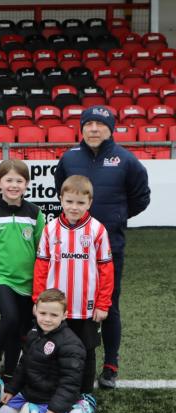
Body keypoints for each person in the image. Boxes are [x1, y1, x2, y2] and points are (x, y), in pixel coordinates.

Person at [54, 105, 151, 389]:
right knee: (67, 302)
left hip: (110, 246)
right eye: (88, 124)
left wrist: (118, 216)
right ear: (81, 128)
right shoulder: (69, 158)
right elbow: (62, 189)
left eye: (100, 124)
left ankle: (110, 365)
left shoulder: (126, 160)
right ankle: (63, 359)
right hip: (72, 247)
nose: (94, 129)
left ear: (111, 129)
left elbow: (141, 197)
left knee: (109, 305)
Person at [33, 175, 114, 396]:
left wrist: (103, 304)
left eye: (80, 202)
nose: (74, 207)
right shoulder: (50, 229)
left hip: (86, 307)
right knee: (52, 348)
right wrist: (38, 300)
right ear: (61, 199)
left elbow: (106, 270)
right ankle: (52, 392)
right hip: (55, 308)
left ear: (90, 203)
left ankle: (85, 396)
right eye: (69, 201)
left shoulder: (97, 230)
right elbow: (41, 267)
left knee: (86, 351)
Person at [0, 159, 45, 387]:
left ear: (26, 184)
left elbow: (42, 250)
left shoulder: (35, 213)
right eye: (9, 180)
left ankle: (10, 372)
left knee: (18, 328)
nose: (14, 185)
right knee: (10, 317)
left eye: (19, 181)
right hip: (0, 277)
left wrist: (41, 284)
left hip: (28, 281)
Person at [0, 289, 97, 413]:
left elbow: (70, 383)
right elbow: (23, 365)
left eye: (54, 315)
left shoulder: (71, 344)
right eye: (43, 313)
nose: (47, 319)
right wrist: (11, 389)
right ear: (35, 311)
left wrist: (56, 409)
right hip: (32, 393)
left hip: (53, 398)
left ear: (64, 315)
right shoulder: (33, 333)